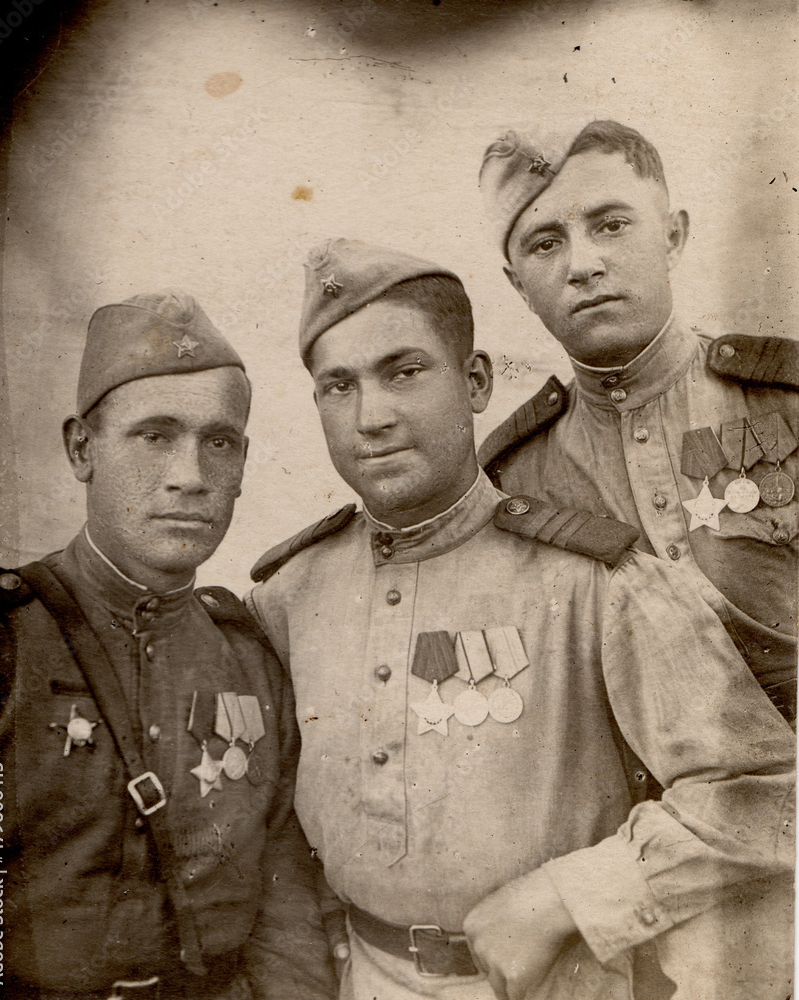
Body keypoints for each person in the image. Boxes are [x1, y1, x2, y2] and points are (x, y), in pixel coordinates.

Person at [246, 239, 795, 1000]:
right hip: (358, 979)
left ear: (474, 381)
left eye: (405, 372)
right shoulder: (287, 594)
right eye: (339, 386)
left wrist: (572, 896)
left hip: (555, 980)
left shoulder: (594, 578)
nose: (371, 417)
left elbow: (766, 787)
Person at [0, 292, 336, 1000]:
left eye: (219, 442)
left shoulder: (249, 656)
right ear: (82, 449)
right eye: (154, 436)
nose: (190, 477)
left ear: (242, 463)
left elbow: (282, 902)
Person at [477, 119, 798, 722]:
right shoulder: (511, 476)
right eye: (545, 244)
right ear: (519, 286)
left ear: (673, 237)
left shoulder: (786, 402)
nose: (583, 265)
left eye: (612, 225)